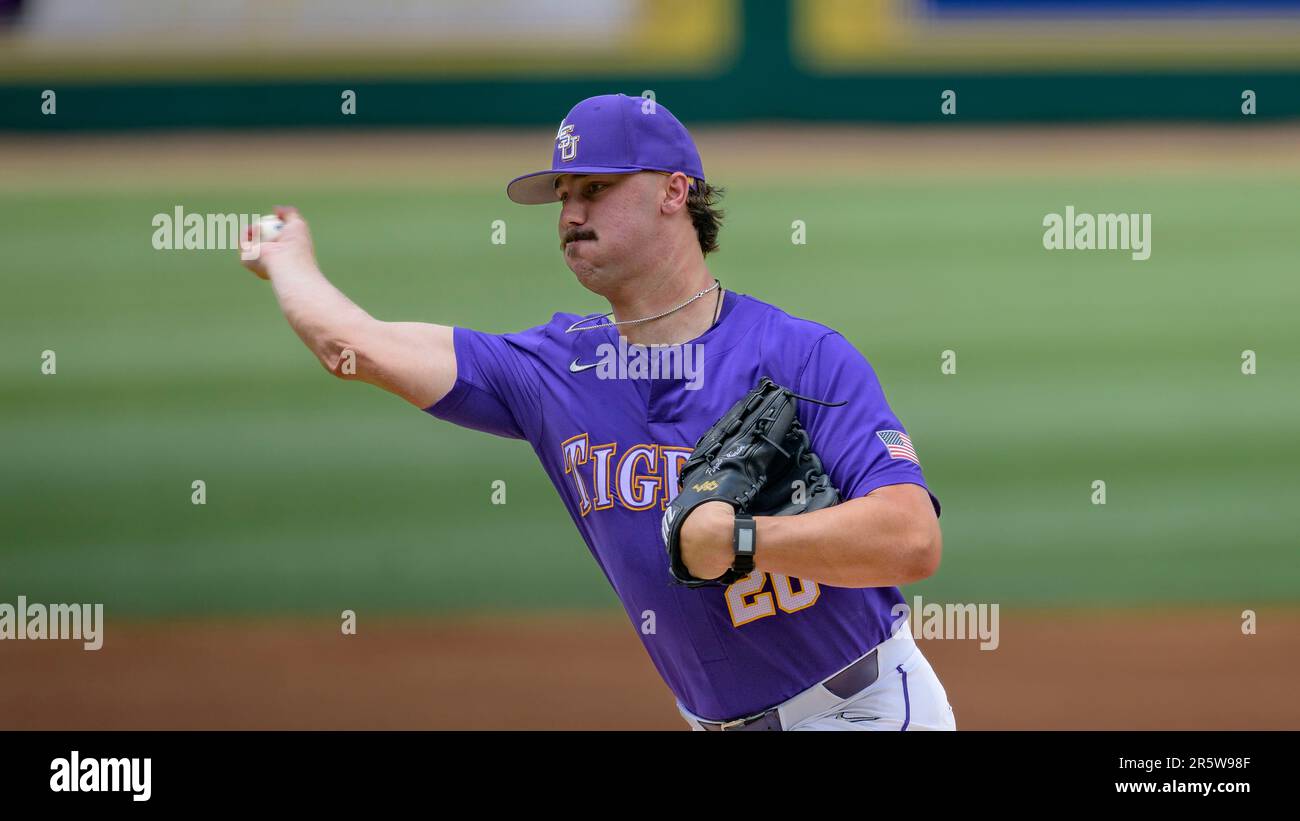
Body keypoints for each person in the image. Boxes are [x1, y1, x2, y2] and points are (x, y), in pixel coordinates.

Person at [238, 93, 956, 731]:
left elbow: (912, 537)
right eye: (563, 195)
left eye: (597, 188)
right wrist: (289, 262)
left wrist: (741, 539)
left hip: (863, 709)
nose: (572, 213)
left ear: (675, 192)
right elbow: (356, 345)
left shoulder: (801, 355)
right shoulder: (548, 369)